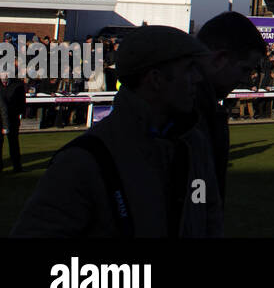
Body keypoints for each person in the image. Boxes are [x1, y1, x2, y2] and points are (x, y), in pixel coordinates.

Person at [10, 26, 222, 237]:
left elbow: (204, 209)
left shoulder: (194, 145)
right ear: (156, 79)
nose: (198, 79)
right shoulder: (83, 160)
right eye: (188, 69)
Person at [194, 12, 267, 206]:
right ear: (219, 59)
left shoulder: (199, 108)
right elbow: (196, 191)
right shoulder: (185, 116)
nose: (244, 79)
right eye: (244, 70)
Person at [0, 72, 26, 172]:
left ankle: (17, 166)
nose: (4, 79)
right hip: (0, 118)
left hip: (13, 117)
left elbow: (22, 101)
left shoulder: (17, 85)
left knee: (14, 142)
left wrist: (21, 113)